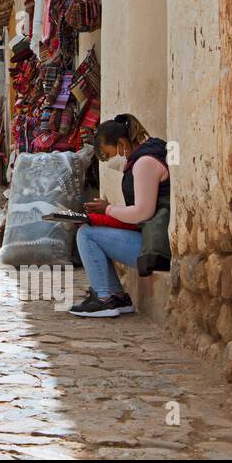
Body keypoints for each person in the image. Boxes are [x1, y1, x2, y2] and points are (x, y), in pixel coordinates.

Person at [69, 113, 171, 318]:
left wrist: (107, 209)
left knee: (86, 234)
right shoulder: (146, 156)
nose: (109, 160)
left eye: (109, 153)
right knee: (90, 229)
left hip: (157, 246)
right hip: (154, 237)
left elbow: (143, 212)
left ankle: (105, 299)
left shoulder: (144, 163)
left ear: (123, 143)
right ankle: (116, 296)